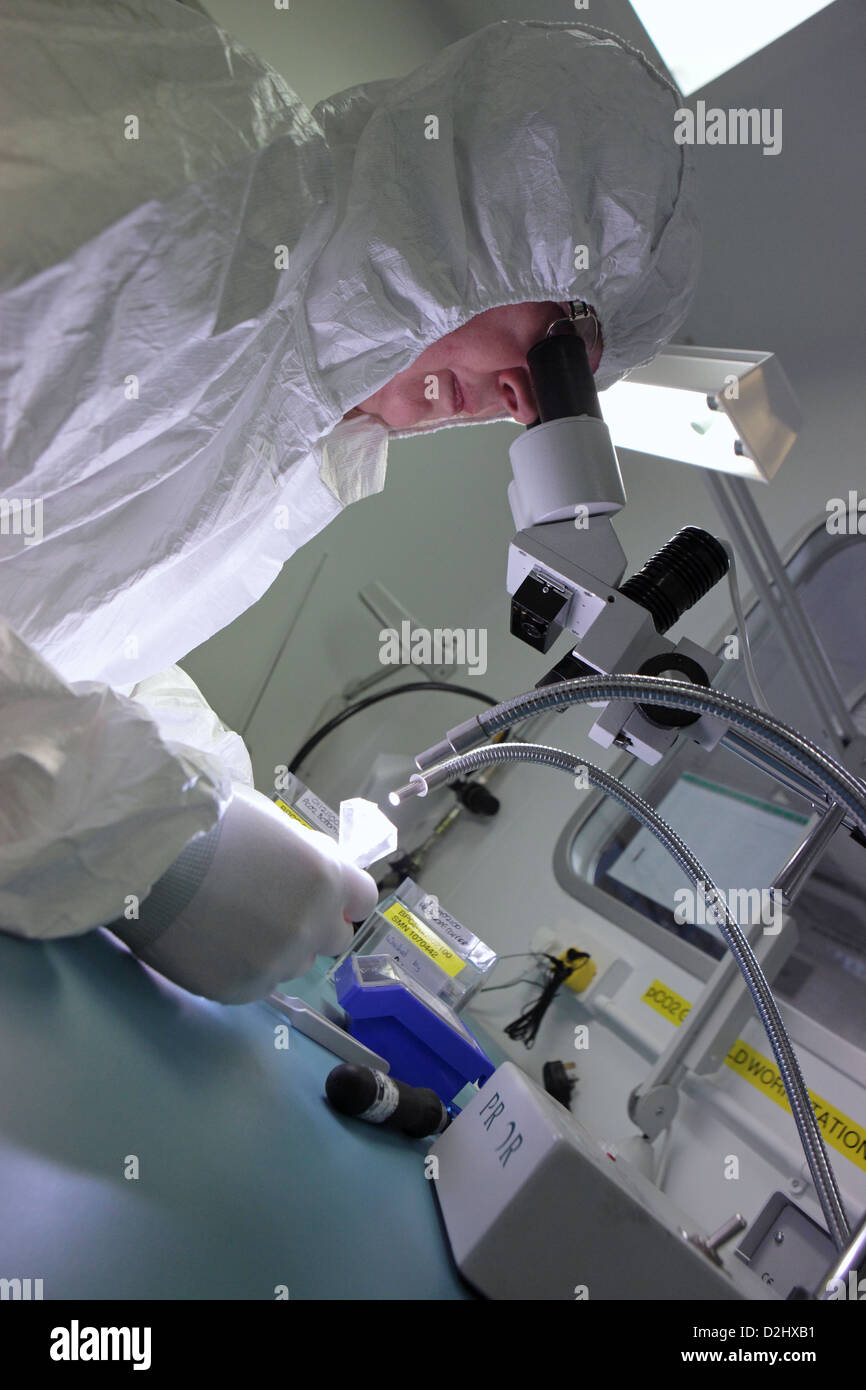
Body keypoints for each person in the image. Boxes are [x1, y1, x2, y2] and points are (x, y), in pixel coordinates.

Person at [0, 3, 700, 1002]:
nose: (516, 404)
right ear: (475, 207)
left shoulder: (302, 432)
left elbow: (77, 632)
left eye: (561, 389)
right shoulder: (185, 197)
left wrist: (221, 800)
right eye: (549, 346)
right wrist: (143, 824)